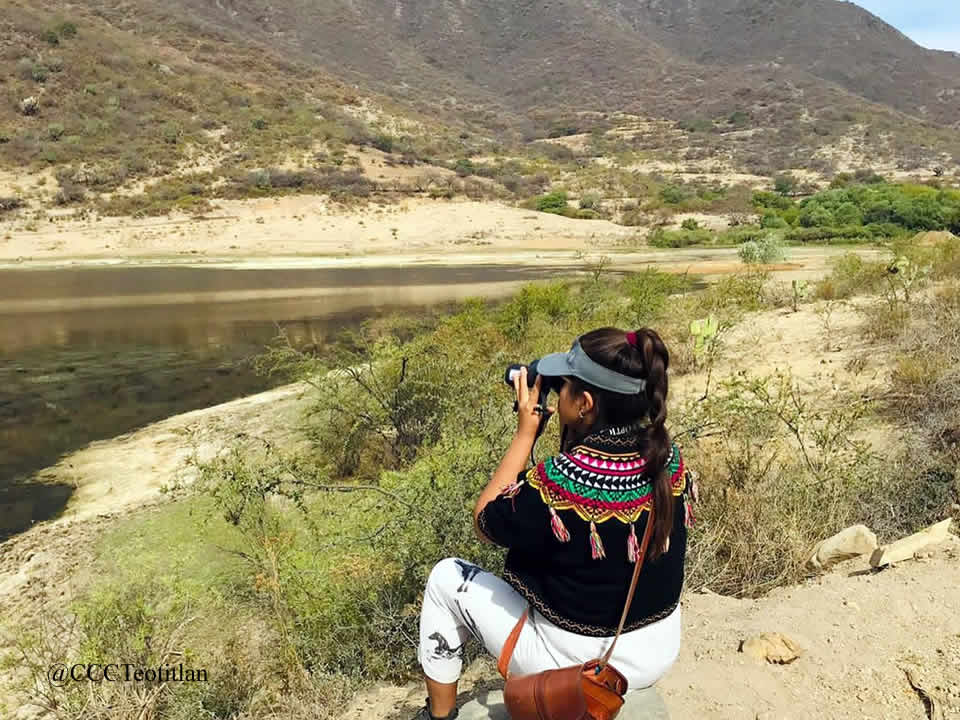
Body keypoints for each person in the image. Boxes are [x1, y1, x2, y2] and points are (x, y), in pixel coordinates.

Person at [412, 327, 693, 720]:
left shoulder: (559, 483)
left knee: (445, 579)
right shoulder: (668, 459)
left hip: (577, 664)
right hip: (656, 651)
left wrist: (525, 434)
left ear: (586, 403)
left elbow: (485, 519)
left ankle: (438, 717)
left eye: (565, 387)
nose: (558, 393)